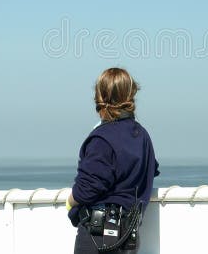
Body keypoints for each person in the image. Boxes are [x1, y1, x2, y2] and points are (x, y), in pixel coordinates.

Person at [67, 67, 159, 254]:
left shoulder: (102, 139)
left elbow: (87, 189)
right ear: (131, 94)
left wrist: (70, 201)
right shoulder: (142, 136)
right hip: (129, 235)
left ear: (100, 96)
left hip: (98, 235)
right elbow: (151, 170)